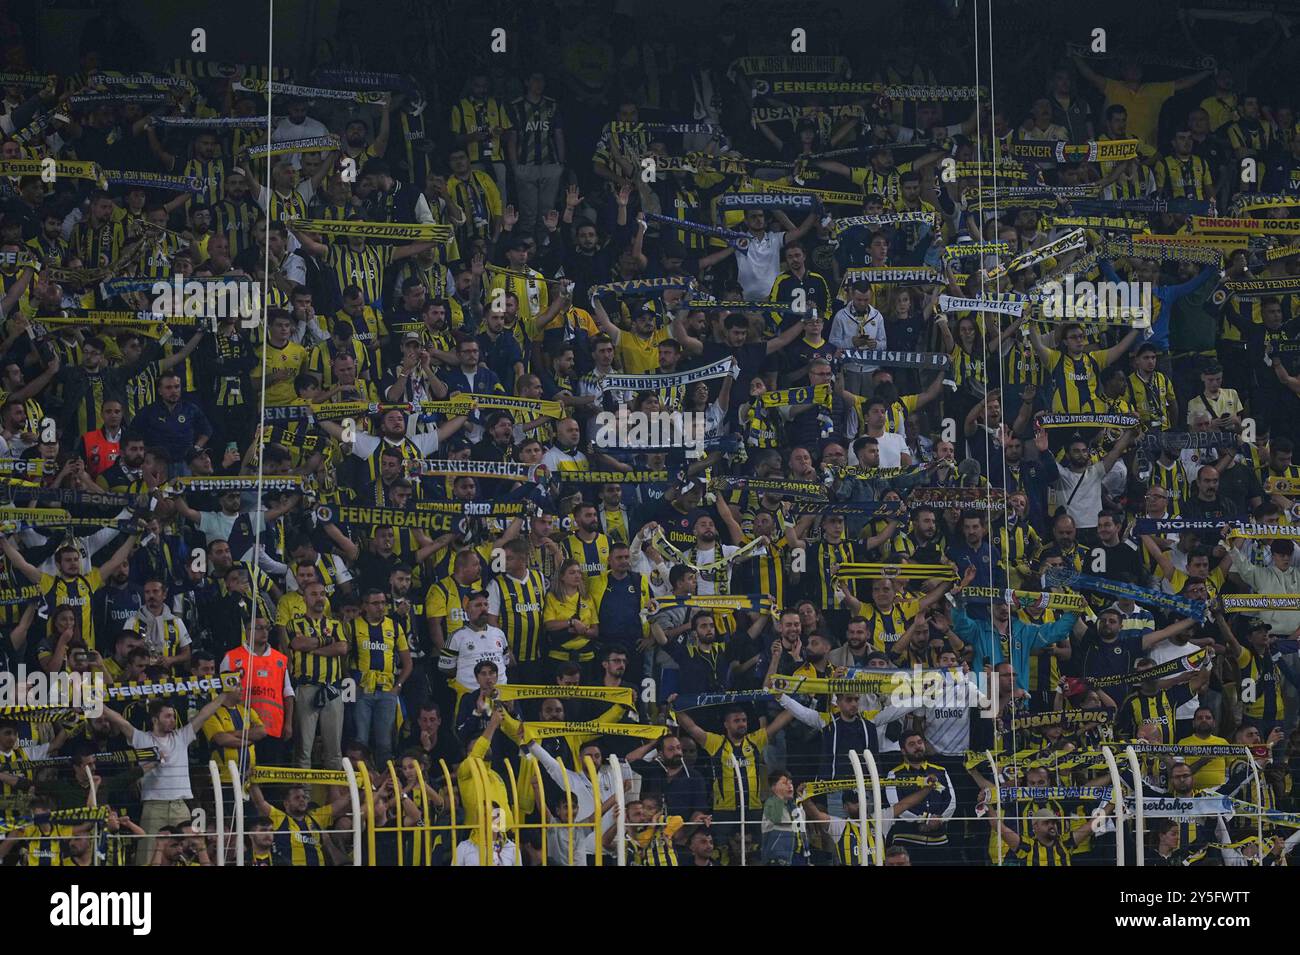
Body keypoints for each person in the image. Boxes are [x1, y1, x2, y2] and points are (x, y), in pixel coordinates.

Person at [98, 687, 238, 865]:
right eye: (167, 716)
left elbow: (204, 714)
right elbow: (119, 720)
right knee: (148, 855)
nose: (173, 720)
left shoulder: (181, 736)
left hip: (180, 806)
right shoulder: (142, 739)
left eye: (173, 716)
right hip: (154, 806)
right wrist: (95, 703)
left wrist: (224, 694)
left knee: (185, 854)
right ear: (155, 720)